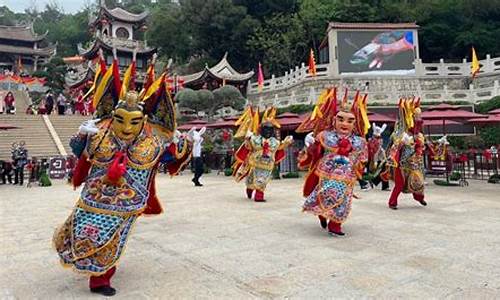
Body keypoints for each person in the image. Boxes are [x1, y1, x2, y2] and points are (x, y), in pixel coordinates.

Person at [53, 83, 192, 296]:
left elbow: (168, 158)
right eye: (120, 120)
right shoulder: (100, 132)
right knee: (81, 229)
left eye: (134, 122)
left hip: (126, 200)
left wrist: (180, 142)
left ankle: (100, 278)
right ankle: (89, 264)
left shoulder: (151, 141)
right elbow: (79, 151)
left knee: (112, 236)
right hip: (93, 195)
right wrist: (81, 135)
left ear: (143, 120)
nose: (127, 128)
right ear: (114, 116)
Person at [297, 88, 369, 236]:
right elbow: (315, 154)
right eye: (341, 119)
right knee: (326, 195)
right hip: (327, 172)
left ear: (355, 123)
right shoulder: (325, 136)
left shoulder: (359, 141)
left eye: (350, 120)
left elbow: (363, 158)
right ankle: (323, 215)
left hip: (347, 175)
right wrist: (312, 147)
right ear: (334, 120)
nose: (345, 123)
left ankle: (335, 226)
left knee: (343, 199)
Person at [233, 107, 293, 202]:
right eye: (266, 130)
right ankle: (250, 189)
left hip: (267, 164)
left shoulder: (275, 142)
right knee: (251, 178)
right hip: (255, 162)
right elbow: (248, 147)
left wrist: (286, 143)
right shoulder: (254, 139)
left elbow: (279, 148)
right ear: (261, 130)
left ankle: (259, 196)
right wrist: (247, 139)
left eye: (270, 130)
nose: (268, 132)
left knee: (263, 179)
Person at [386, 98, 427, 210]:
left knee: (417, 181)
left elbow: (423, 146)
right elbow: (393, 148)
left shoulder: (419, 135)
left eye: (420, 117)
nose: (419, 120)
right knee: (400, 183)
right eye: (416, 117)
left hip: (414, 162)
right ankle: (392, 202)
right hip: (401, 163)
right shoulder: (399, 134)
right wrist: (402, 143)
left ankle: (419, 197)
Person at [367, 123, 390, 191]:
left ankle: (383, 186)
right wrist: (376, 161)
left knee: (383, 172)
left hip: (378, 159)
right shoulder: (375, 141)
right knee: (383, 172)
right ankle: (375, 182)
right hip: (378, 159)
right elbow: (377, 151)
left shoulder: (372, 140)